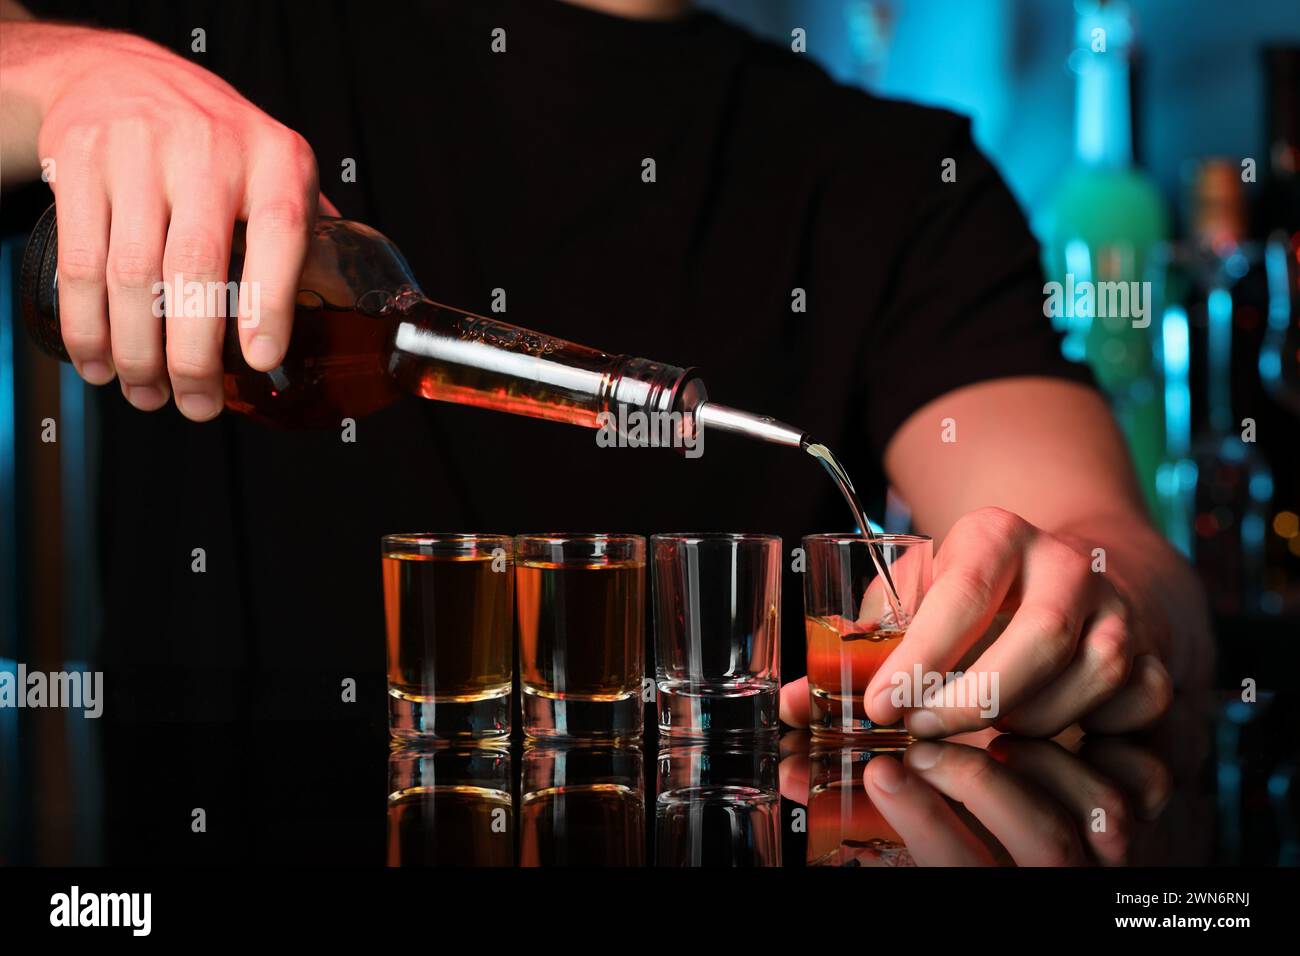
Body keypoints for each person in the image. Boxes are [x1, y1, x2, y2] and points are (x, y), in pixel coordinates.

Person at [0, 0, 1211, 737]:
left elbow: (1106, 544)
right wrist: (71, 74)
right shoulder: (226, 28)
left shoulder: (893, 178)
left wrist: (1085, 605)